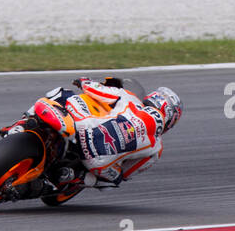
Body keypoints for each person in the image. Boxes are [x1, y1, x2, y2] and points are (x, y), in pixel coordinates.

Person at [43, 76, 182, 187]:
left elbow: (97, 90)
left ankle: (32, 120)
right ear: (171, 119)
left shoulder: (131, 98)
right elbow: (128, 172)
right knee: (116, 178)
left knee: (64, 95)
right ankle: (72, 176)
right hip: (96, 161)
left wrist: (84, 82)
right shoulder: (157, 148)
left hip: (82, 129)